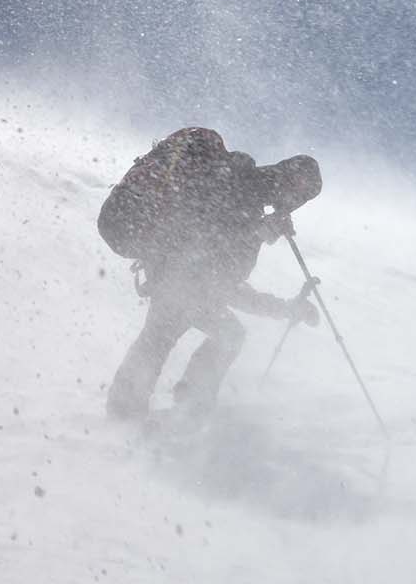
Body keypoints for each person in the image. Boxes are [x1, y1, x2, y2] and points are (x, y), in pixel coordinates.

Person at [103, 130, 324, 420]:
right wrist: (259, 231)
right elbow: (208, 240)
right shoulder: (243, 186)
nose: (296, 199)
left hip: (178, 278)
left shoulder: (245, 191)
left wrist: (285, 308)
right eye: (299, 190)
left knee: (175, 336)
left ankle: (136, 409)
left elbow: (226, 286)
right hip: (180, 277)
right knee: (189, 335)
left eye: (304, 195)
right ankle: (174, 408)